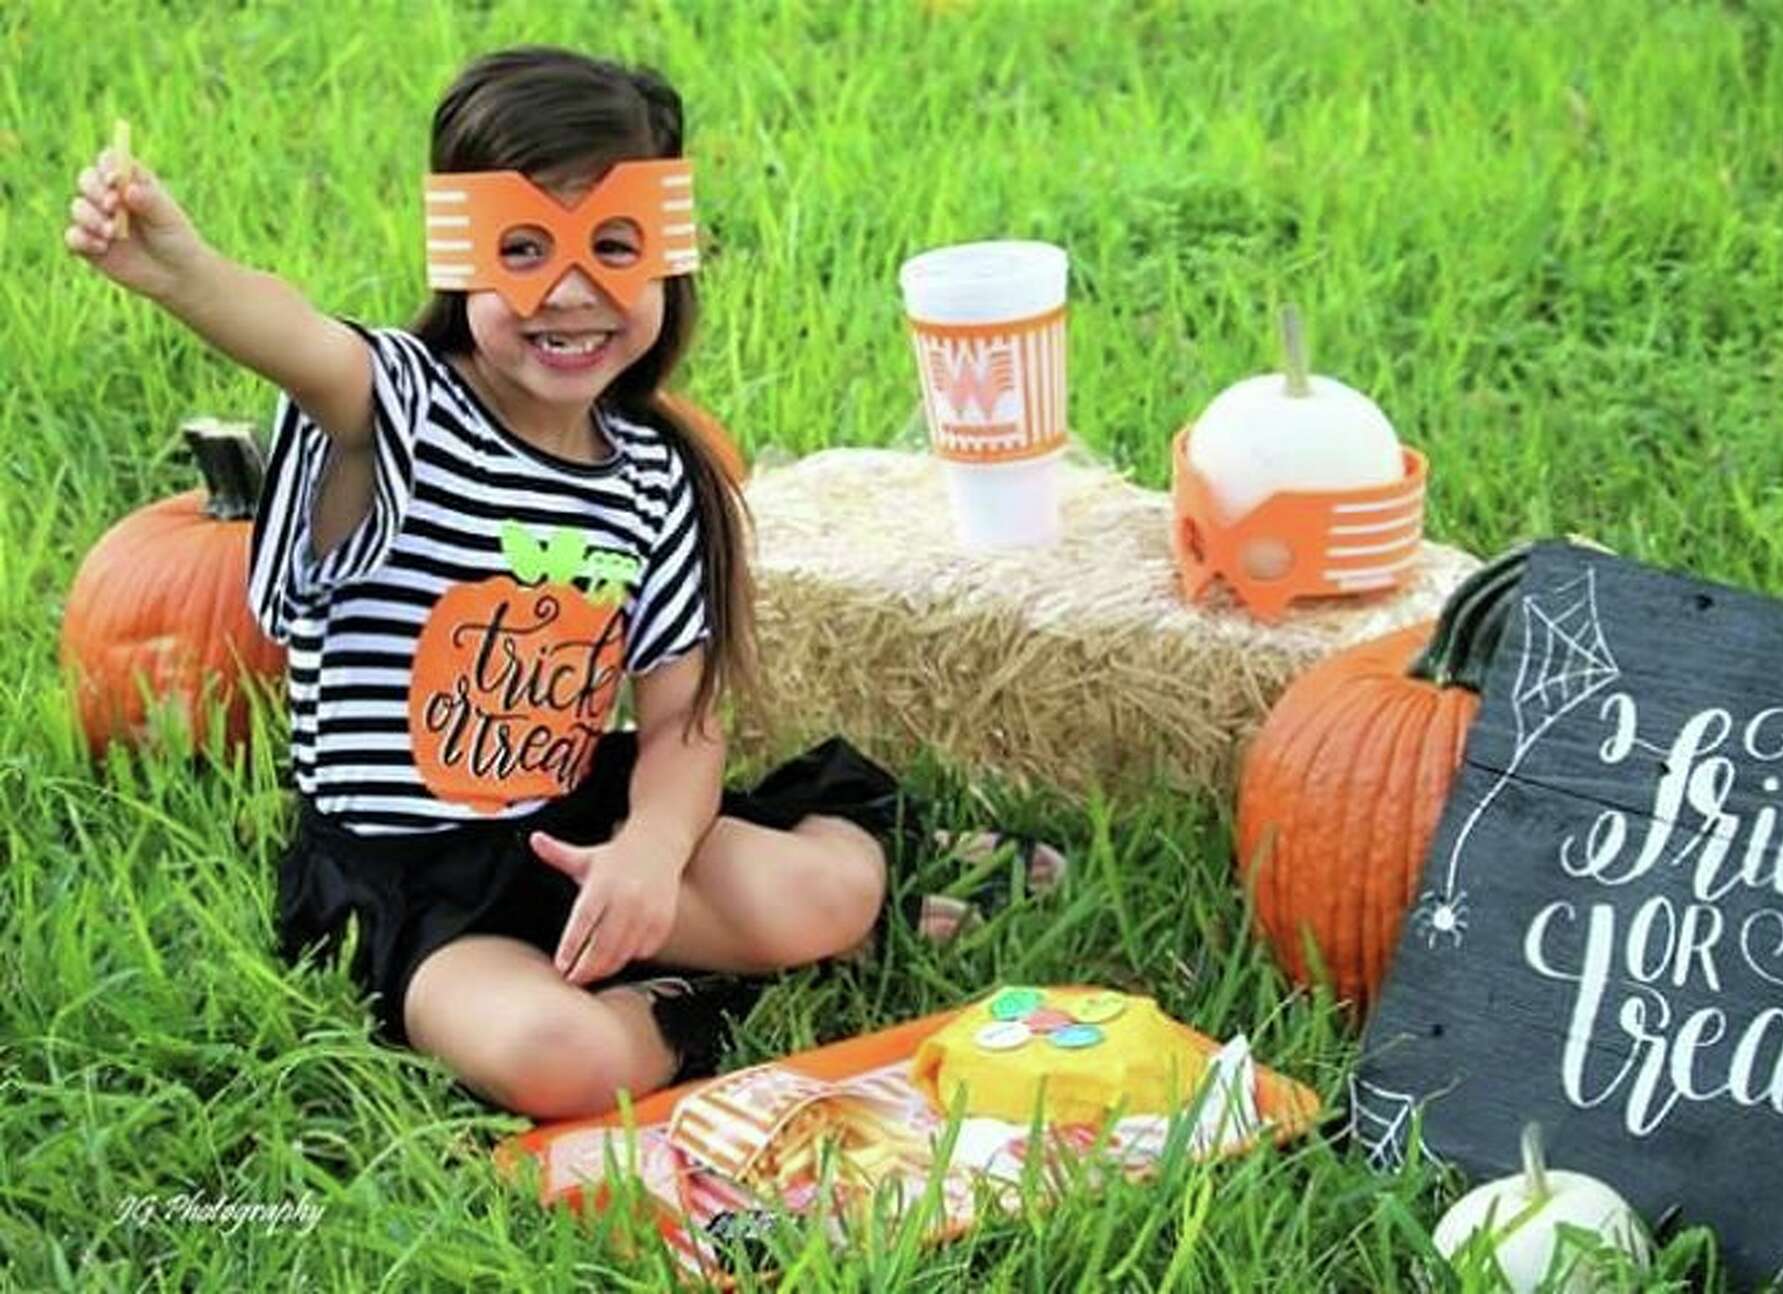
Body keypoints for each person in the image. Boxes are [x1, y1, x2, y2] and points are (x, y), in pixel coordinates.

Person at [64, 46, 1062, 1120]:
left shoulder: (656, 474)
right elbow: (302, 342)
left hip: (579, 821)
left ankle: (882, 871)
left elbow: (682, 719)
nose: (572, 293)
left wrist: (648, 851)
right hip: (413, 883)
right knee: (563, 1061)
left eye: (615, 248)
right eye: (523, 248)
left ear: (667, 261)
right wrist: (183, 274)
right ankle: (699, 993)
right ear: (459, 256)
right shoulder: (401, 410)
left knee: (827, 893)